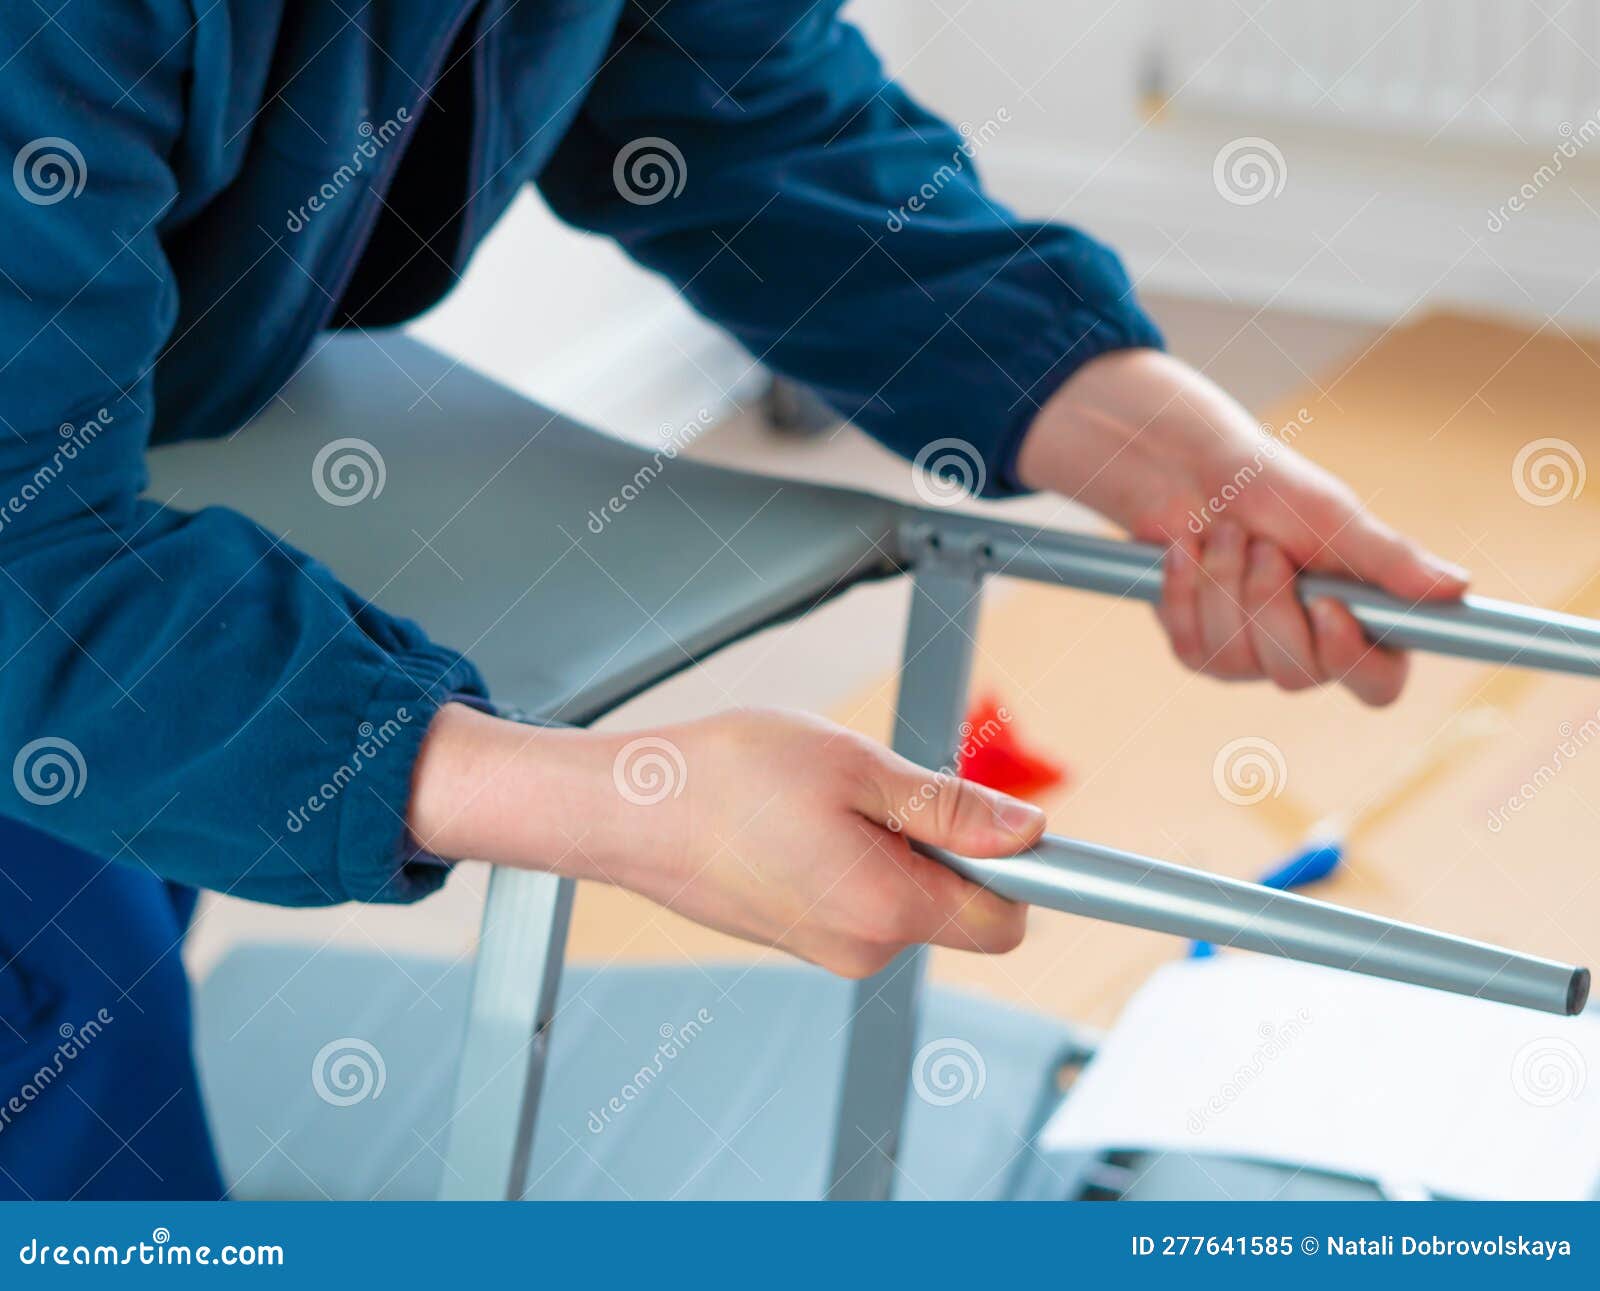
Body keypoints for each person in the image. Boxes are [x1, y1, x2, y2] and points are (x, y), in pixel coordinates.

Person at [0, 2, 1468, 1199]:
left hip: (104, 460)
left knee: (165, 830)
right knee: (76, 1043)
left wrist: (1173, 448)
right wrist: (622, 806)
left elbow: (754, 116)